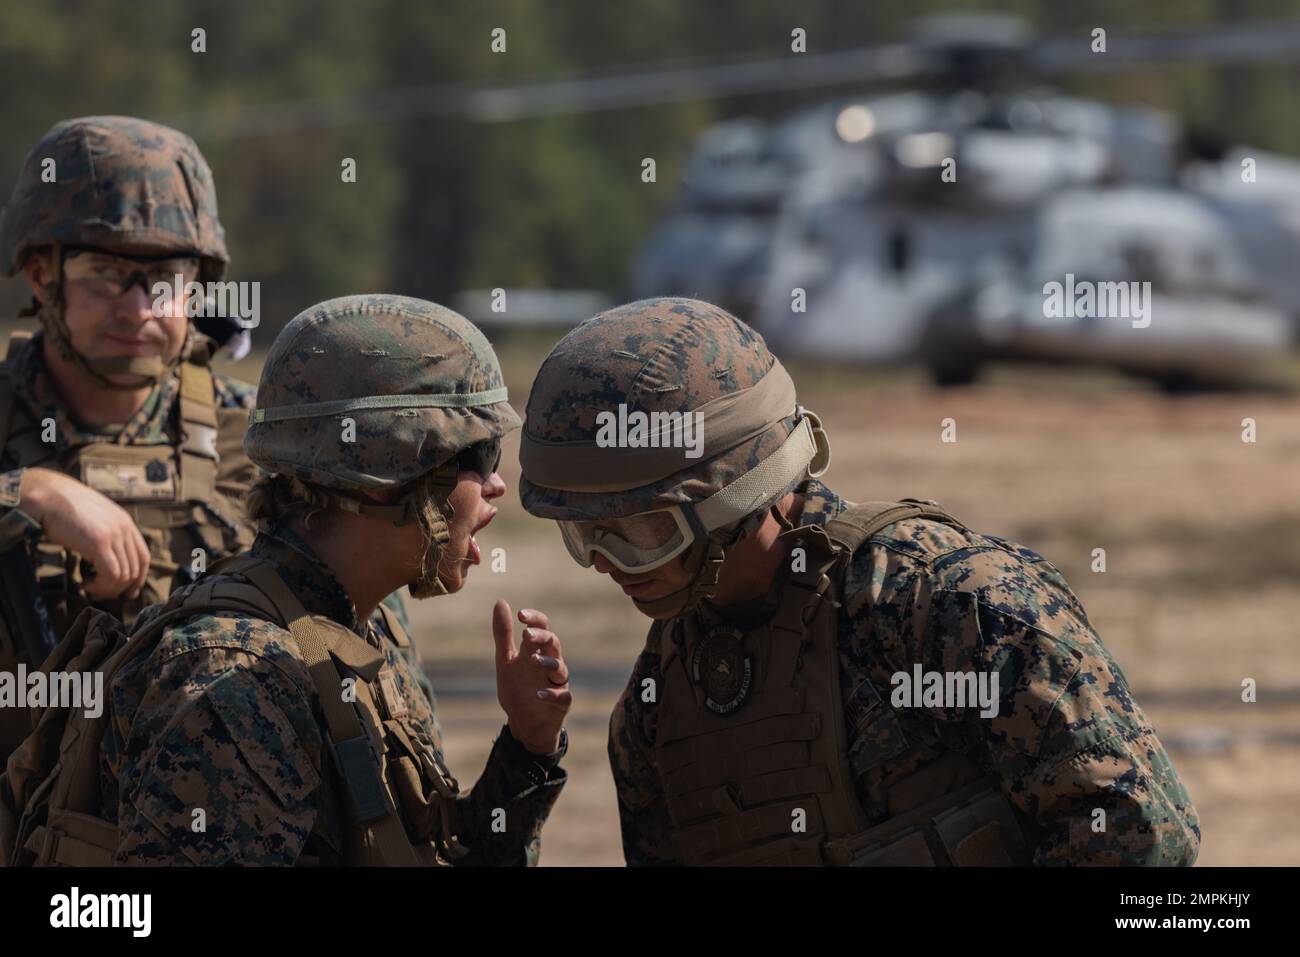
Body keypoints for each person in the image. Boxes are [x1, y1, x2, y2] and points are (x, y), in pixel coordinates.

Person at [517, 296, 1200, 866]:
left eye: (638, 531)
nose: (604, 562)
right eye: (582, 535)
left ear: (737, 492)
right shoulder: (660, 702)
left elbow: (1139, 836)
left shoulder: (952, 610)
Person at [98, 294, 569, 865]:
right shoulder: (235, 680)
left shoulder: (360, 631)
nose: (496, 485)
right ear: (383, 475)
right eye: (479, 454)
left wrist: (527, 747)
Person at [0, 116, 256, 762]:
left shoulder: (259, 443)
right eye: (107, 274)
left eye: (166, 279)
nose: (140, 308)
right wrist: (28, 493)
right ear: (40, 274)